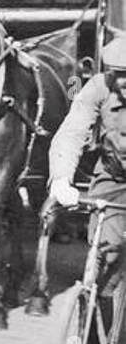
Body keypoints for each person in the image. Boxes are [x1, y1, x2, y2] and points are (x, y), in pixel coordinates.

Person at [49, 38, 126, 310]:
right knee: (104, 254)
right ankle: (93, 334)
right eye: (119, 74)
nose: (123, 81)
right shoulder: (98, 86)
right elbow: (72, 132)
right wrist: (61, 179)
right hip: (114, 176)